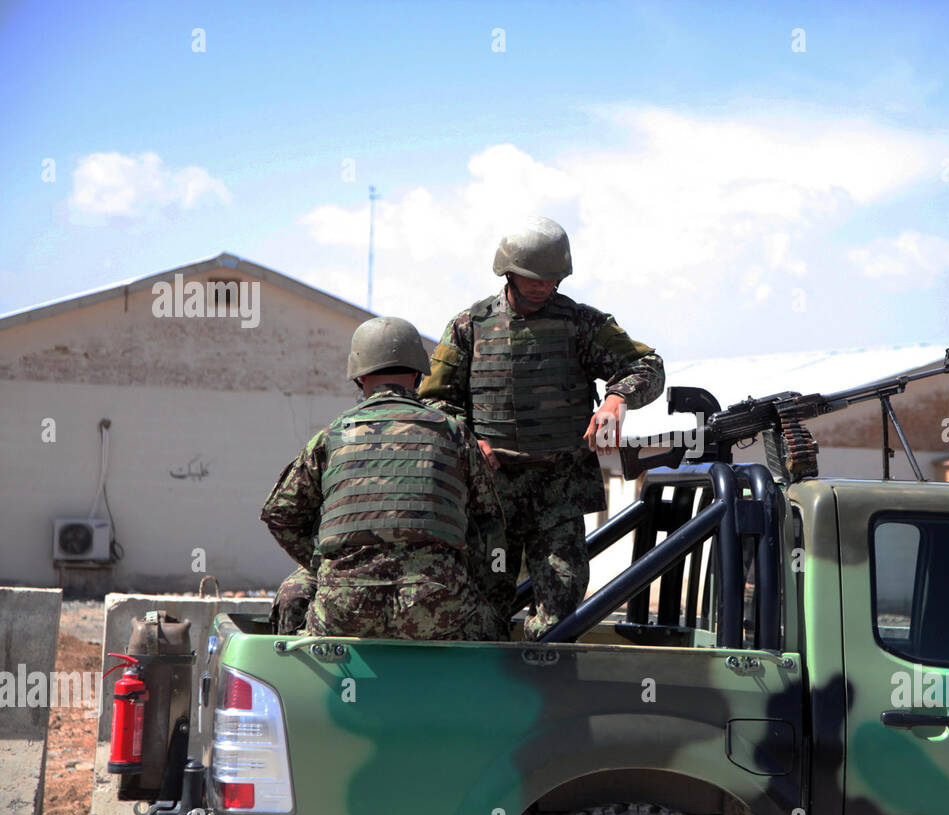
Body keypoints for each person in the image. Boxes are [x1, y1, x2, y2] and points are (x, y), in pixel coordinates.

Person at [420, 217, 665, 640]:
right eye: (533, 278)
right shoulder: (469, 327)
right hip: (492, 495)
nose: (542, 287)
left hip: (559, 491)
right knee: (485, 604)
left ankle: (543, 671)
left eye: (552, 279)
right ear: (508, 272)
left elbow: (647, 365)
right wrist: (470, 441)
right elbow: (433, 401)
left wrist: (617, 398)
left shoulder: (581, 324)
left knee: (560, 606)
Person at [261, 316, 506, 641]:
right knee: (495, 621)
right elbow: (490, 522)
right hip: (436, 610)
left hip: (346, 610)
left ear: (359, 376)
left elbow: (279, 513)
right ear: (418, 375)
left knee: (293, 593)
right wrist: (463, 569)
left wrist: (321, 561)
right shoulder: (454, 434)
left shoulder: (332, 436)